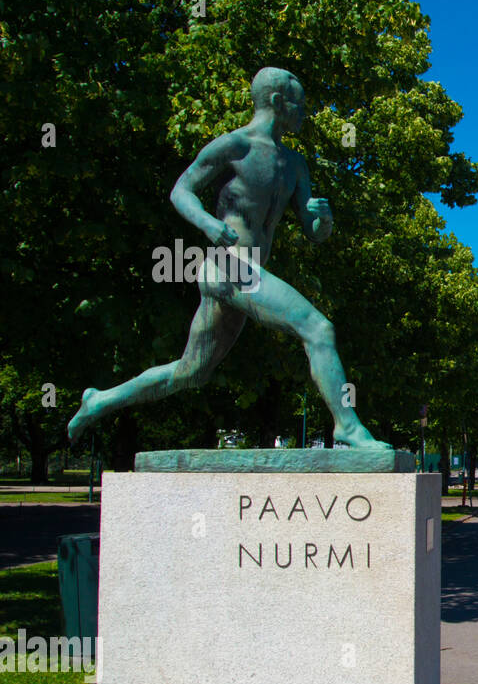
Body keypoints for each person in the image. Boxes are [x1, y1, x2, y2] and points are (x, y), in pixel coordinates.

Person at [68, 68, 389, 450]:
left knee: (189, 373)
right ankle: (347, 426)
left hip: (246, 274)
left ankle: (100, 400)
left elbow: (314, 232)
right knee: (317, 328)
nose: (304, 112)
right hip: (228, 265)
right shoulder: (235, 146)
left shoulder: (295, 164)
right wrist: (207, 223)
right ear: (276, 101)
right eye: (299, 104)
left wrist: (324, 218)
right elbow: (181, 190)